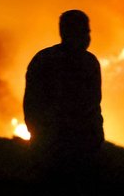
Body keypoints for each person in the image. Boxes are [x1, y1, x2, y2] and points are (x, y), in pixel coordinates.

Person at [23, 10, 104, 170]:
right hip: (53, 151)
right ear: (67, 32)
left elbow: (94, 105)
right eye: (83, 31)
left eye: (88, 32)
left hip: (83, 149)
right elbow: (33, 106)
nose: (87, 37)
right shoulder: (46, 61)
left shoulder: (89, 63)